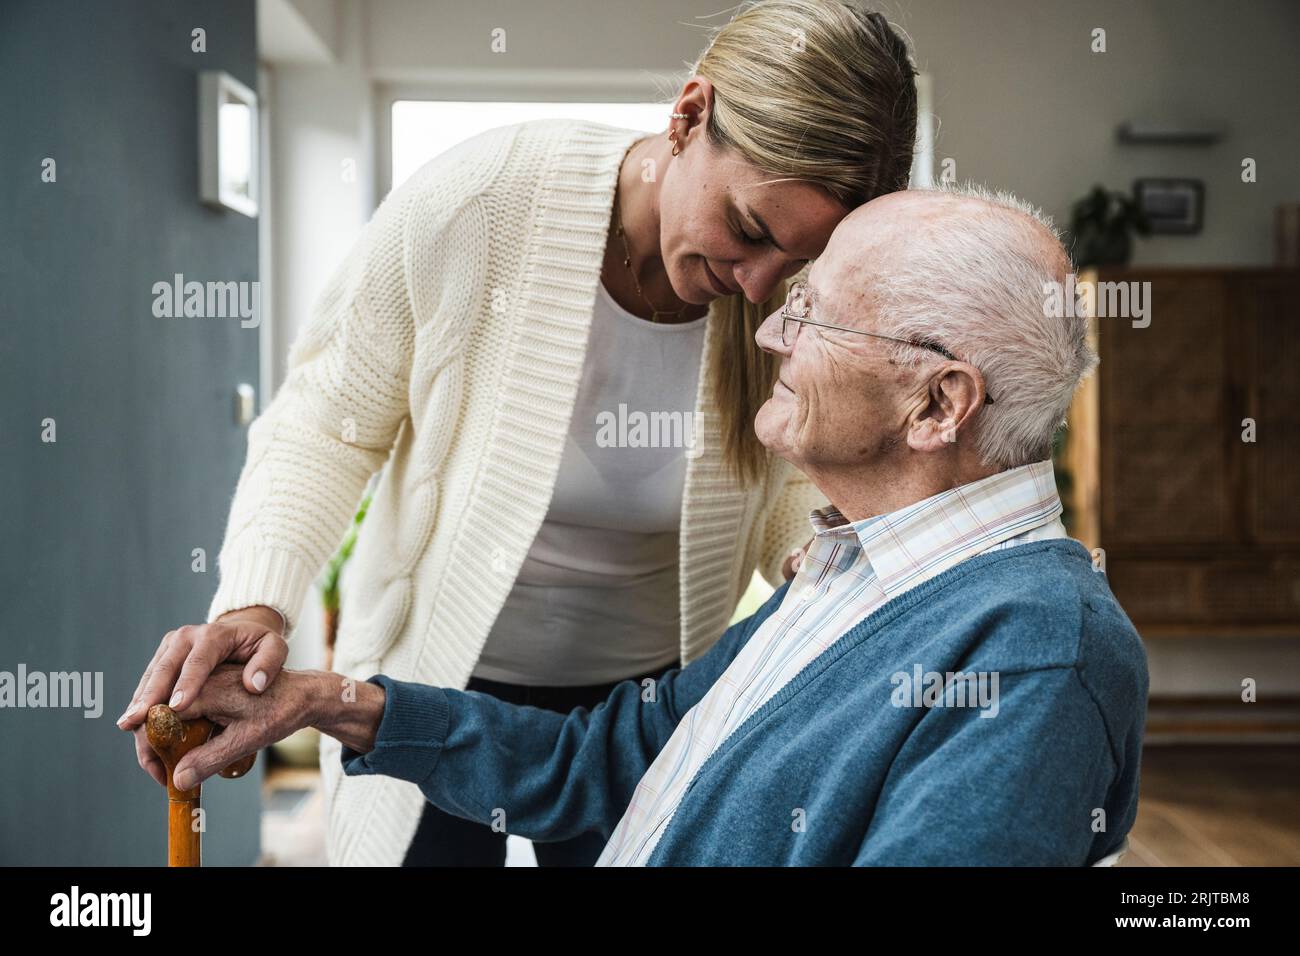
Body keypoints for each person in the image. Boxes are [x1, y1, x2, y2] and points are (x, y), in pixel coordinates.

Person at [118, 0, 921, 865]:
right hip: (425, 688)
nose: (763, 288)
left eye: (797, 262)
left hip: (637, 717)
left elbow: (798, 476)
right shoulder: (482, 200)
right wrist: (255, 600)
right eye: (750, 231)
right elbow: (327, 420)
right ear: (690, 114)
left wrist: (827, 566)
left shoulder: (795, 298)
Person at [139, 184, 1150, 866]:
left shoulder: (1033, 657)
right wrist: (323, 700)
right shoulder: (850, 569)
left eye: (813, 316)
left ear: (936, 405)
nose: (766, 332)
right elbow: (611, 761)